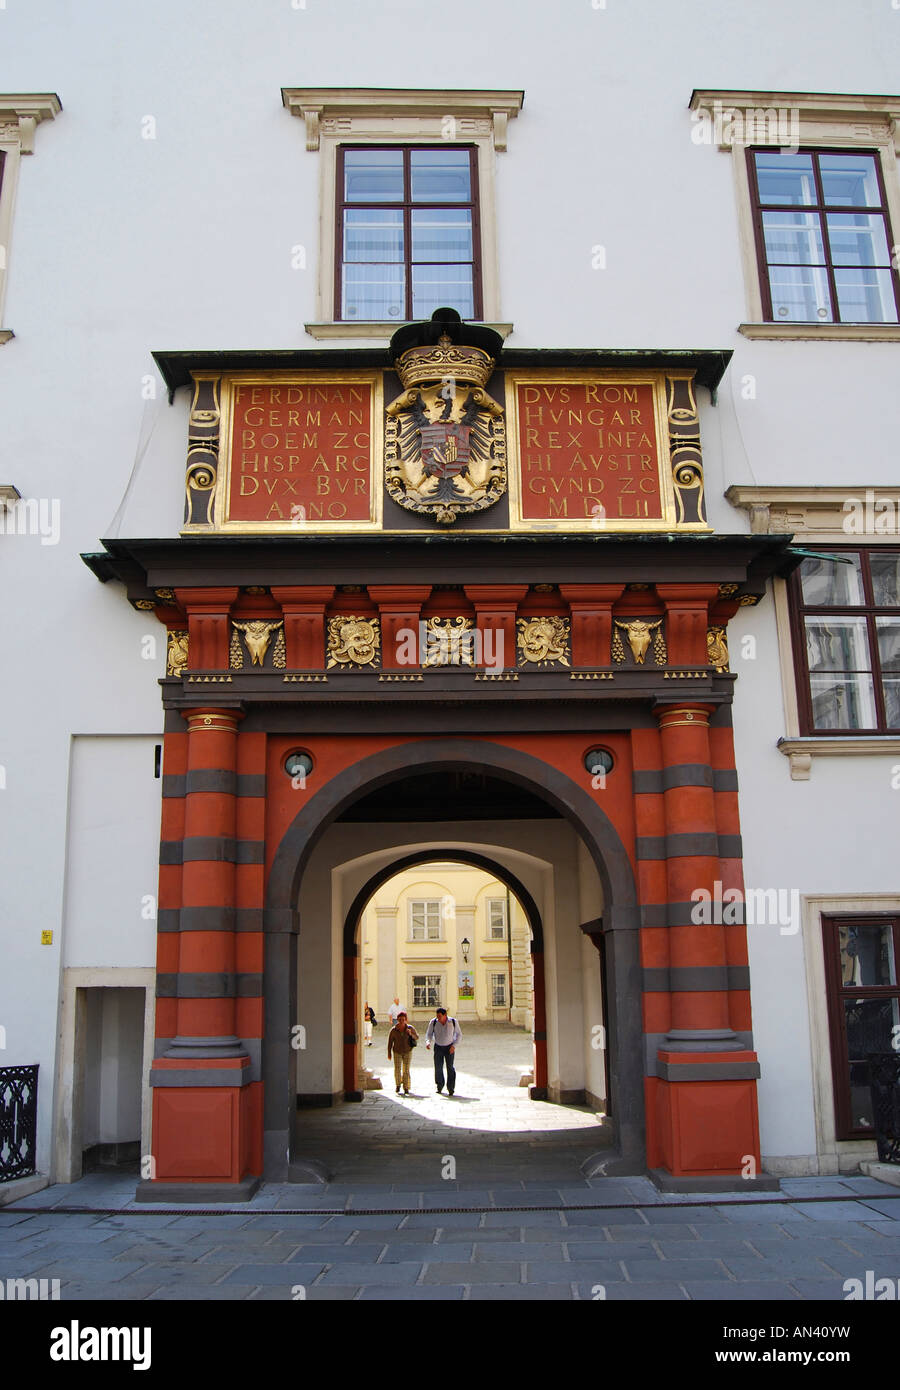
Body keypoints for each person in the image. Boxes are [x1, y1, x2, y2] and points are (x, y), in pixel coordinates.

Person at [425, 1006, 462, 1096]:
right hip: (438, 1047)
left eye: (440, 1016)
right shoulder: (433, 1022)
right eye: (437, 1016)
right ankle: (439, 1086)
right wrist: (428, 1042)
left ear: (445, 1015)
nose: (438, 1018)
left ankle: (451, 1088)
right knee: (438, 1067)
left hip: (449, 1047)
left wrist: (454, 1046)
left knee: (450, 1067)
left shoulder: (453, 1022)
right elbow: (429, 1034)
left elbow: (459, 1034)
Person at [387, 1011, 418, 1095]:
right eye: (400, 1019)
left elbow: (417, 1037)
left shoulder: (410, 1028)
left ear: (406, 1020)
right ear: (397, 1019)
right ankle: (397, 1085)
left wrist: (410, 1034)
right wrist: (389, 1053)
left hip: (408, 1051)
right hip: (397, 1051)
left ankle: (406, 1087)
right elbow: (390, 1042)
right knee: (397, 1069)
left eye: (403, 1019)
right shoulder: (393, 1030)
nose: (401, 1021)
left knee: (406, 1069)